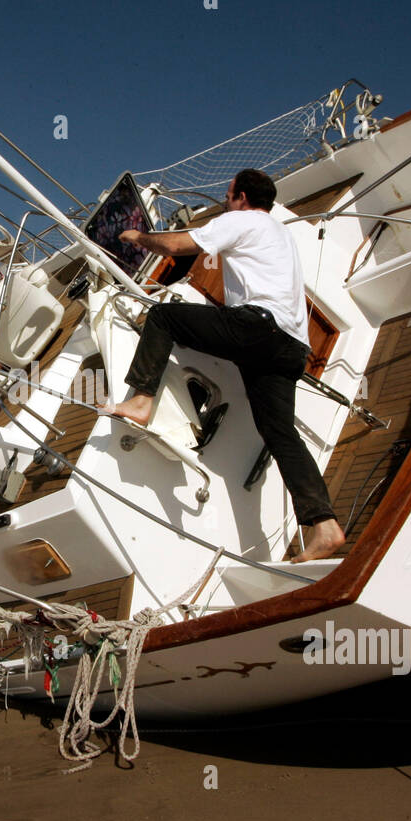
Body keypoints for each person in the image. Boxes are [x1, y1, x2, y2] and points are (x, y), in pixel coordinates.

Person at [106, 168, 345, 563]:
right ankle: (325, 526)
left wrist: (138, 236)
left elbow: (178, 247)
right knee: (279, 433)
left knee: (163, 317)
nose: (224, 198)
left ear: (242, 197)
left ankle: (141, 401)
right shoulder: (280, 233)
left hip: (259, 329)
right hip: (290, 347)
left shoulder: (242, 219)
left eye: (228, 193)